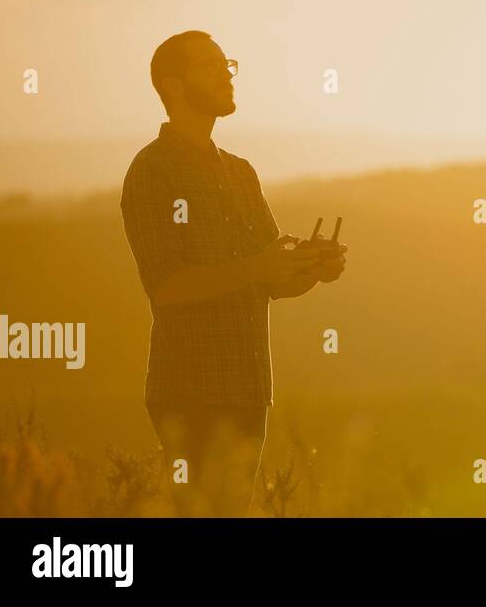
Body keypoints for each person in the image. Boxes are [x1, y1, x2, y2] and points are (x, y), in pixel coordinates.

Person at [119, 30, 348, 516]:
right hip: (190, 392)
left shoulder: (240, 171)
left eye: (228, 64)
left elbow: (270, 278)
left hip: (247, 387)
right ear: (173, 86)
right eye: (211, 66)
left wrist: (313, 269)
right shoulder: (152, 171)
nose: (226, 74)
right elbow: (166, 286)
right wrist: (259, 267)